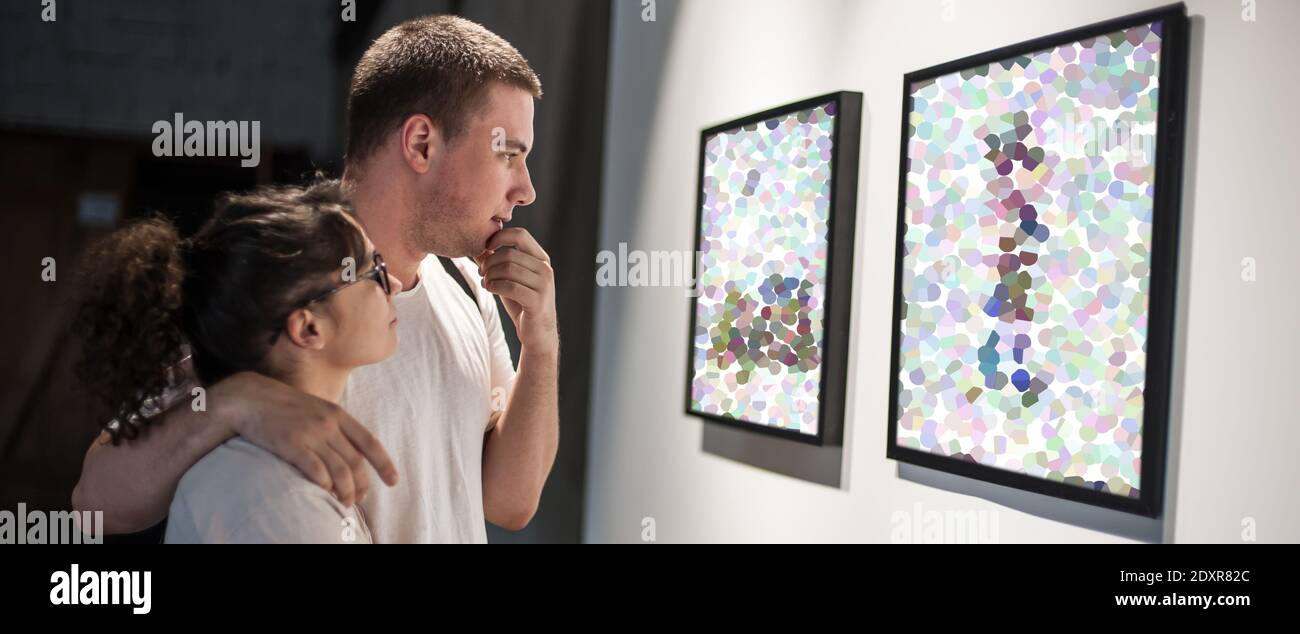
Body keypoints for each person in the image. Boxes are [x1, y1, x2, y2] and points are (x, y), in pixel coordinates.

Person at [71, 15, 561, 543]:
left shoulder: (467, 285)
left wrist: (543, 341)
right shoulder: (281, 277)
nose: (526, 188)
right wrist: (235, 403)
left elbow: (509, 503)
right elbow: (96, 504)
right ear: (421, 144)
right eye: (508, 154)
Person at [73, 181, 401, 543]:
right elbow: (94, 503)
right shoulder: (278, 500)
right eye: (375, 272)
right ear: (308, 327)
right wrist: (232, 401)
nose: (395, 284)